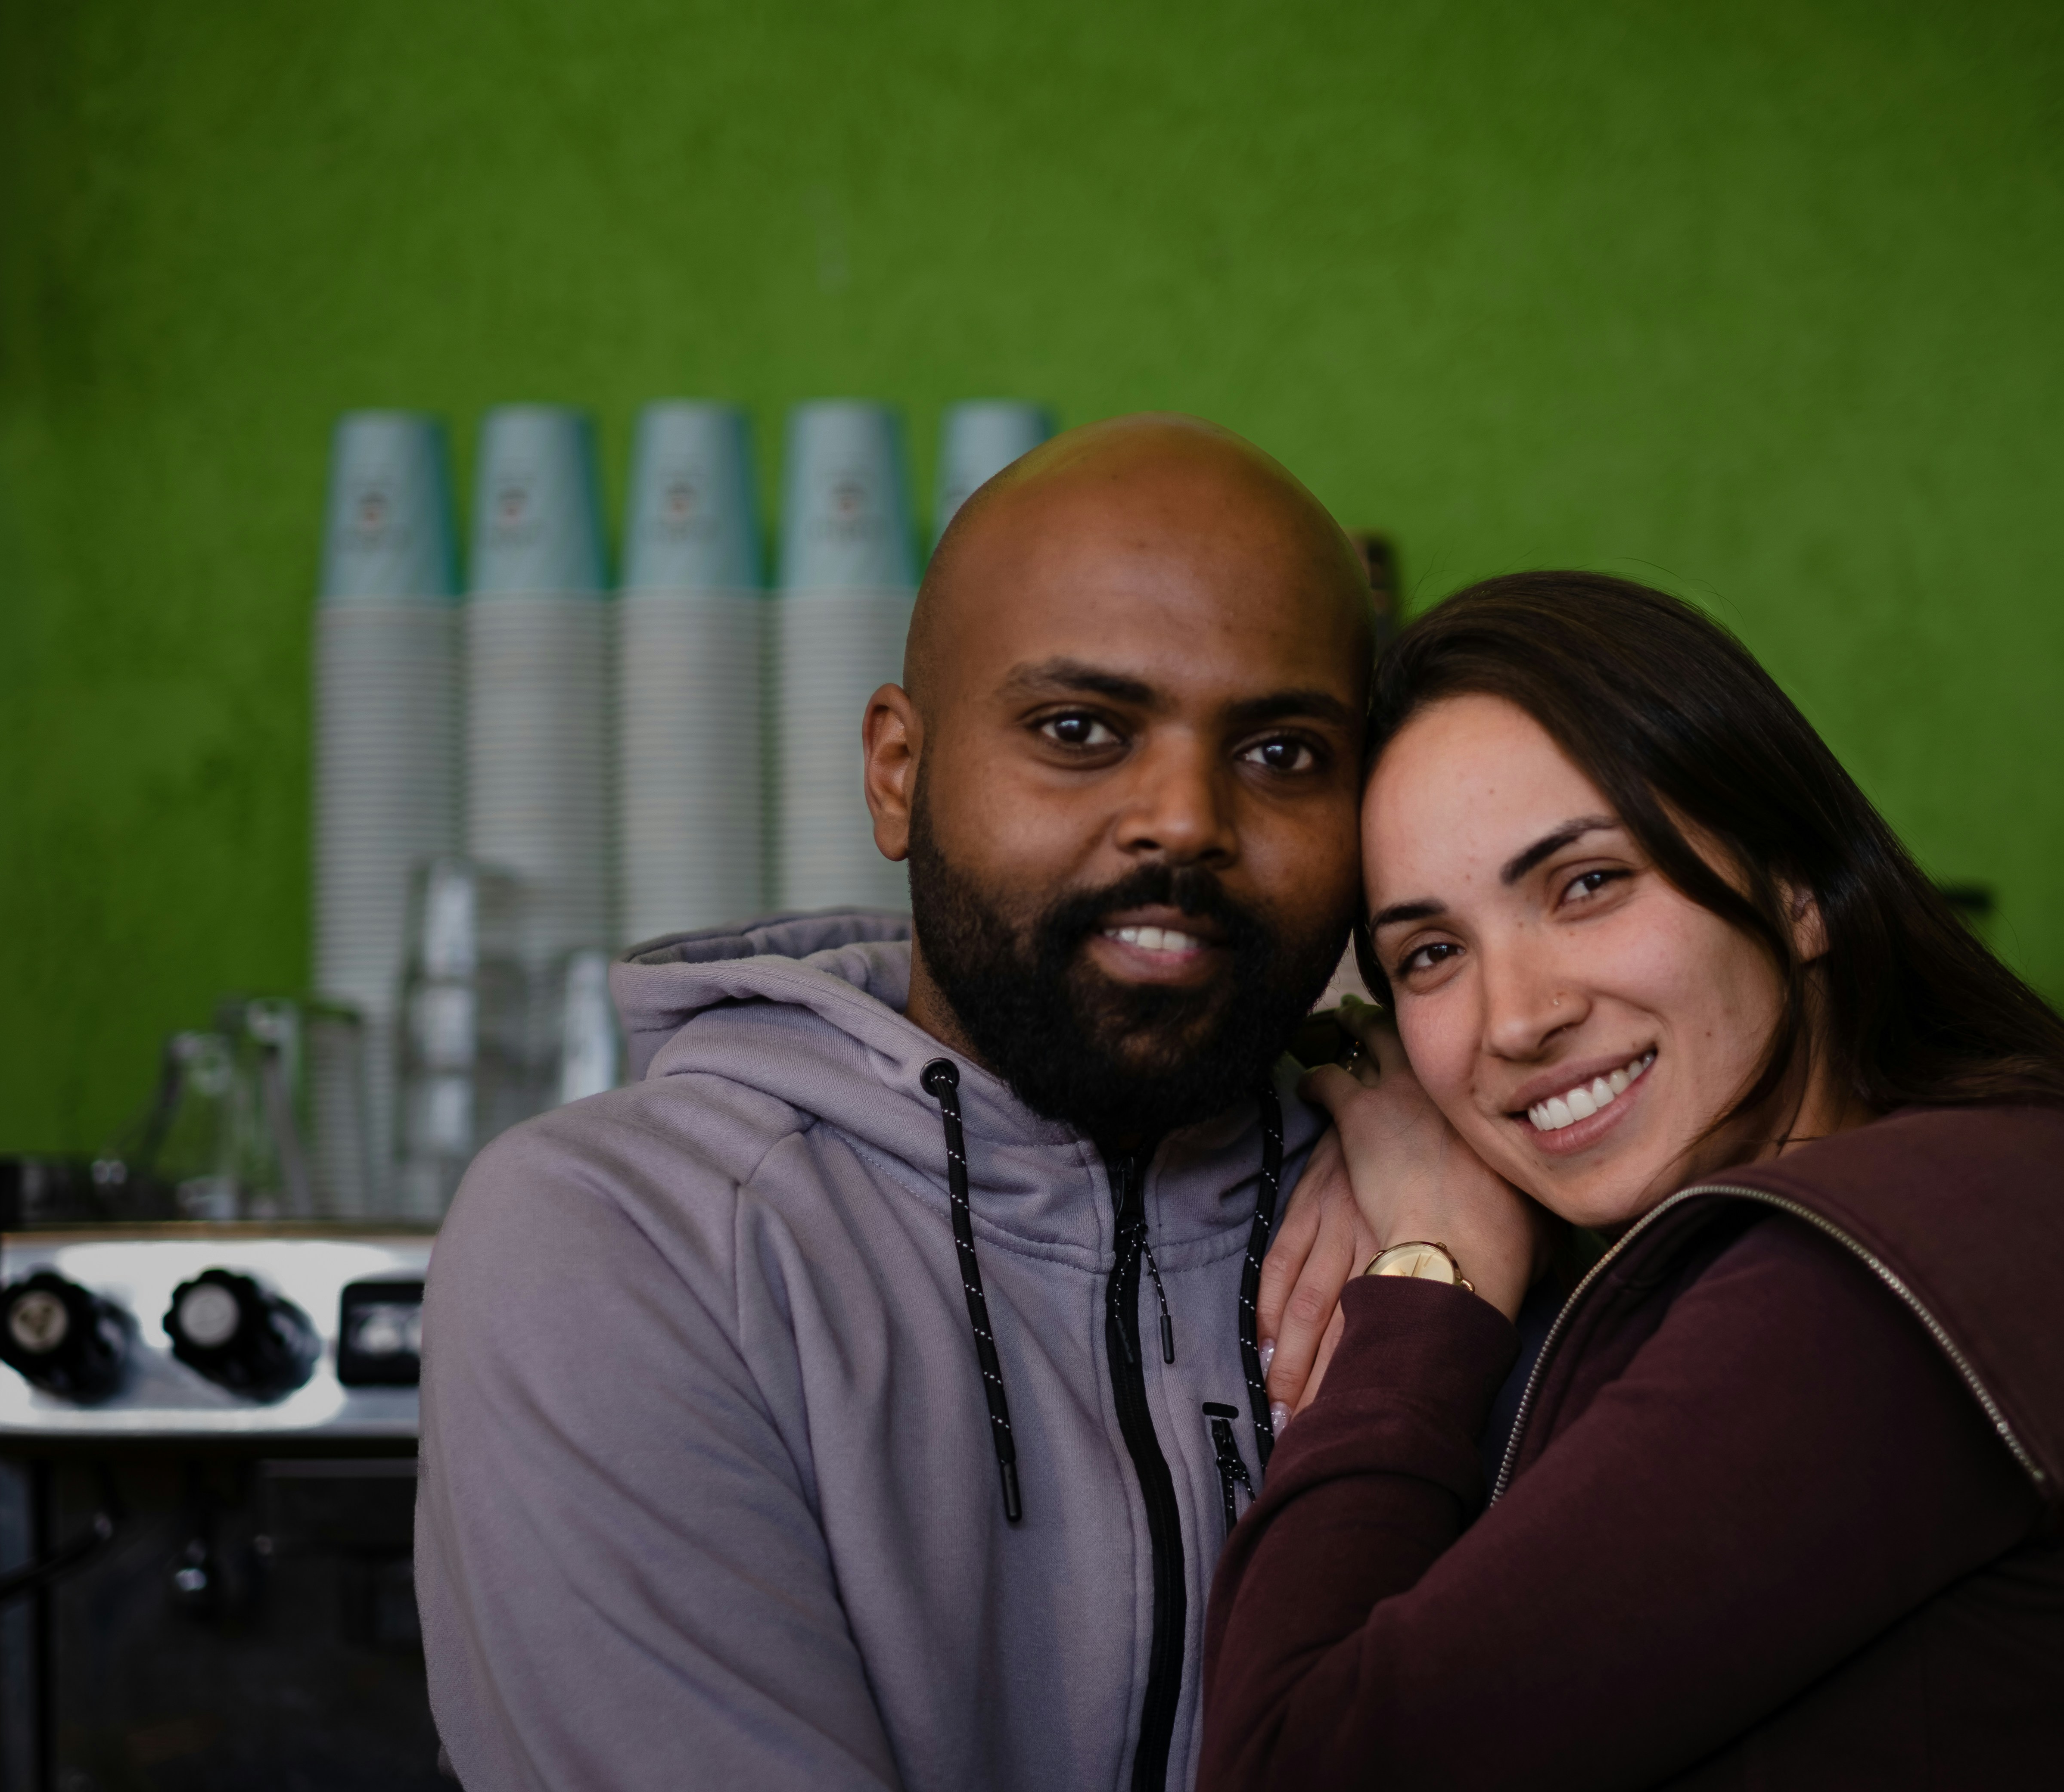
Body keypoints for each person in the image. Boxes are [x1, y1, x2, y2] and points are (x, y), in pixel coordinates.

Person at [1200, 572, 2064, 1789]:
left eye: (1587, 884)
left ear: (1798, 888)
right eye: (1432, 954)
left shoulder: (1884, 1275)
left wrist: (1430, 1274)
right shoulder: (1962, 1193)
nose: (1515, 1020)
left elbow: (1295, 1769)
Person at [415, 414, 1380, 1790]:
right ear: (898, 771)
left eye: (1282, 754)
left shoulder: (1449, 1217)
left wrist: (1425, 1191)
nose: (1184, 820)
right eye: (1079, 729)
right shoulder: (627, 1238)